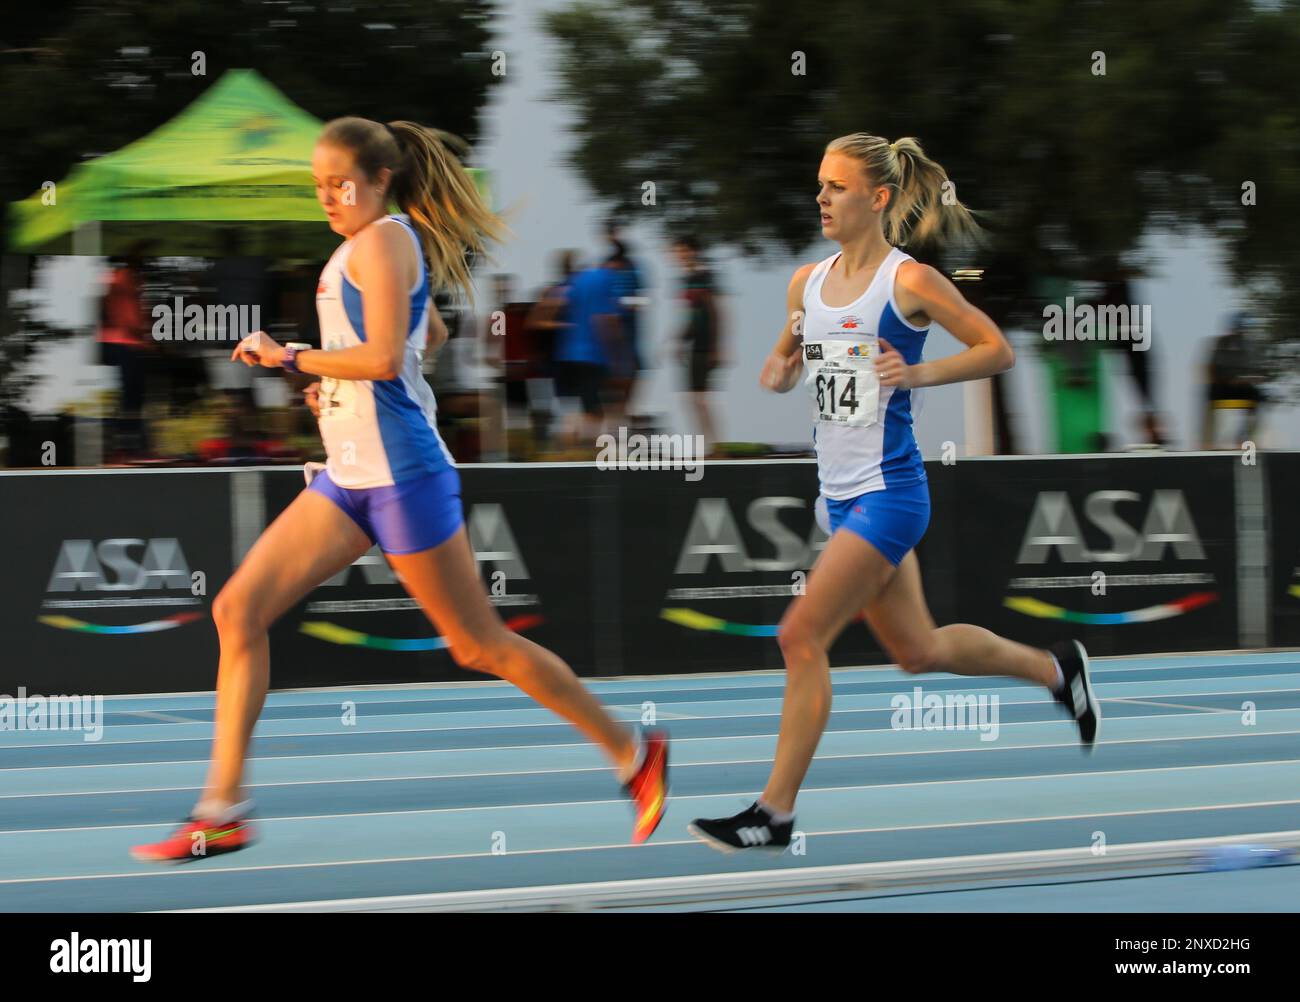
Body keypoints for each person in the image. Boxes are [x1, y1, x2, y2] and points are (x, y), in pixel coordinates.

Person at [130, 117, 668, 863]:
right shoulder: (364, 249)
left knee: (478, 645)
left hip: (403, 478)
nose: (326, 196)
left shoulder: (385, 239)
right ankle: (222, 809)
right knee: (237, 608)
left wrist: (294, 359)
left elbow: (386, 357)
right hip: (351, 476)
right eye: (317, 185)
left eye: (339, 183)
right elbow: (426, 341)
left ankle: (632, 752)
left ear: (380, 180)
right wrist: (333, 388)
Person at [688, 133, 1100, 853]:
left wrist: (917, 374)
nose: (820, 197)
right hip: (837, 497)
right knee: (918, 650)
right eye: (818, 184)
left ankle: (774, 814)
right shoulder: (805, 285)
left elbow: (995, 348)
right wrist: (781, 370)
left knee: (799, 636)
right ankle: (1055, 667)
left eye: (836, 187)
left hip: (891, 493)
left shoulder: (909, 283)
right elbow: (784, 362)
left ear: (876, 198)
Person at [671, 235, 724, 452]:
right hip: (694, 345)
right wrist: (679, 341)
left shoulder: (704, 276)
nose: (679, 256)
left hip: (705, 345)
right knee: (693, 398)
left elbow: (715, 312)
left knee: (700, 398)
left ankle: (714, 444)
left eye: (683, 251)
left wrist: (716, 346)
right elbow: (691, 316)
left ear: (693, 251)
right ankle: (707, 445)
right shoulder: (686, 279)